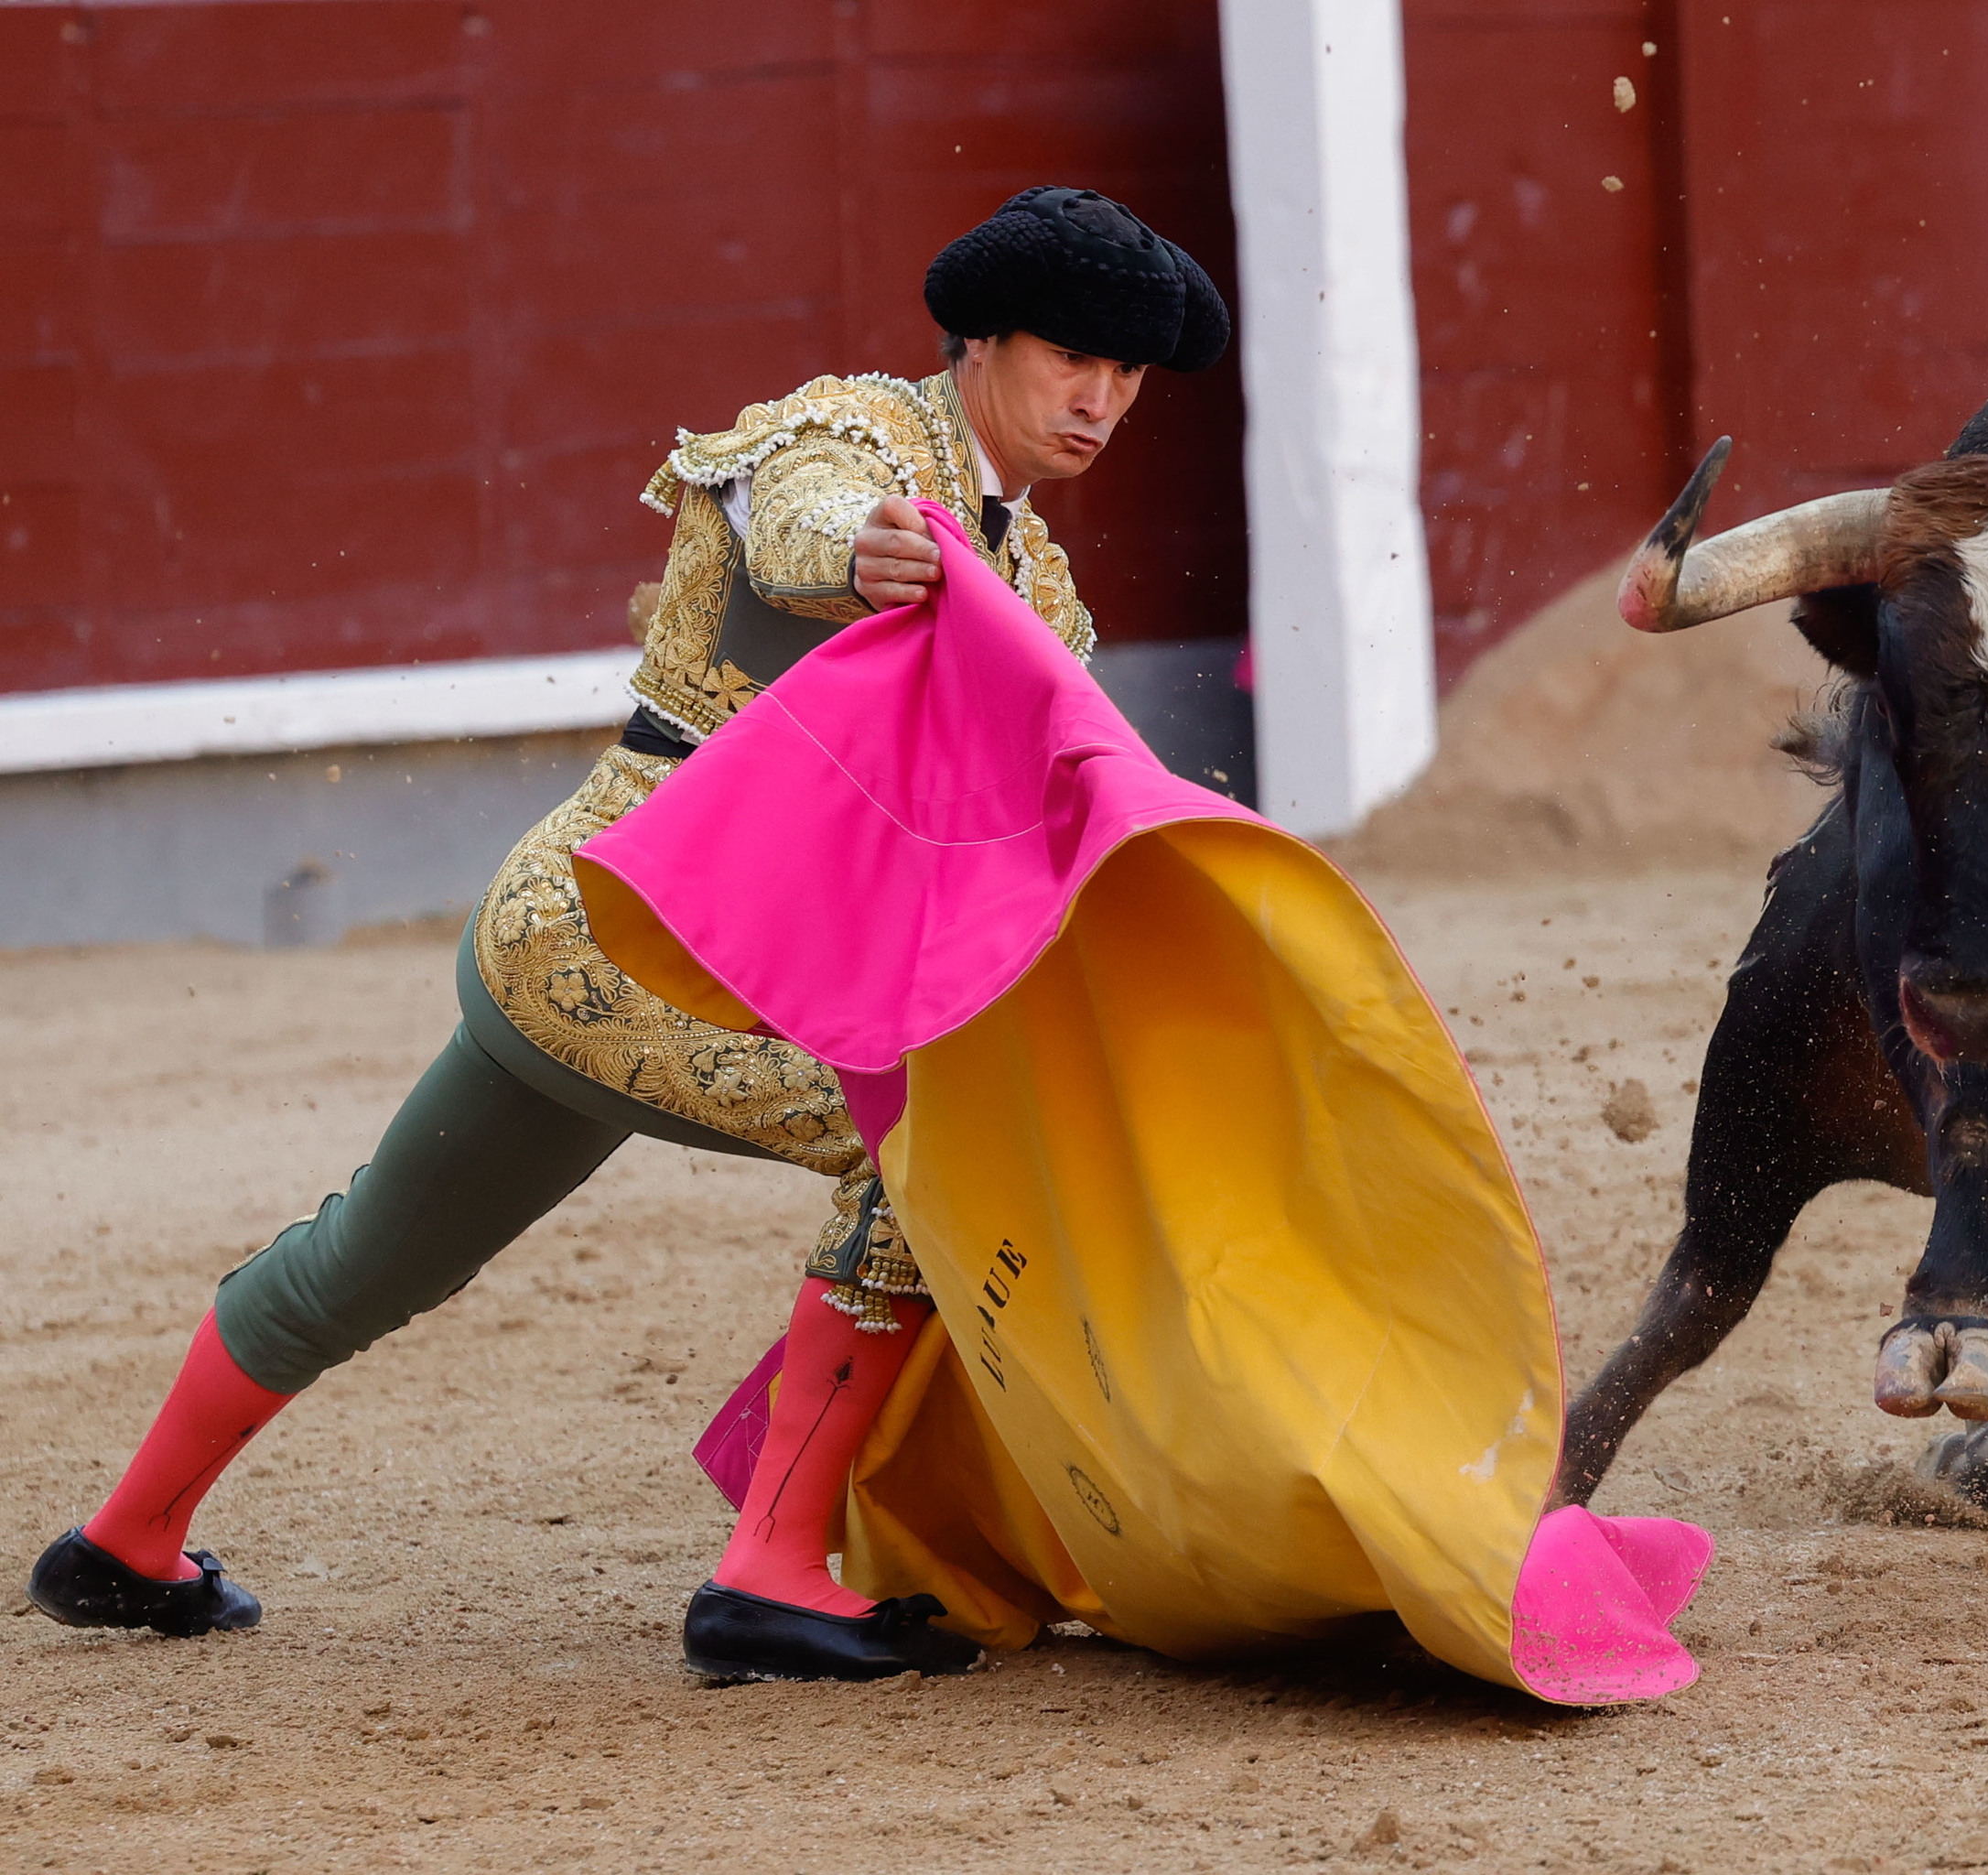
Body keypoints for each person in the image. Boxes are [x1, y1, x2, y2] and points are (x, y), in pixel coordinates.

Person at [27, 187, 1229, 1685]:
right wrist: (864, 552)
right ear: (982, 339)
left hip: (616, 946)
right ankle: (773, 1570)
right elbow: (798, 527)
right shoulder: (850, 440)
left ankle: (124, 1549)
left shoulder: (1035, 576)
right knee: (925, 1141)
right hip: (627, 934)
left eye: (1130, 375)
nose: (1105, 399)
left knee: (370, 1256)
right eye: (1077, 358)